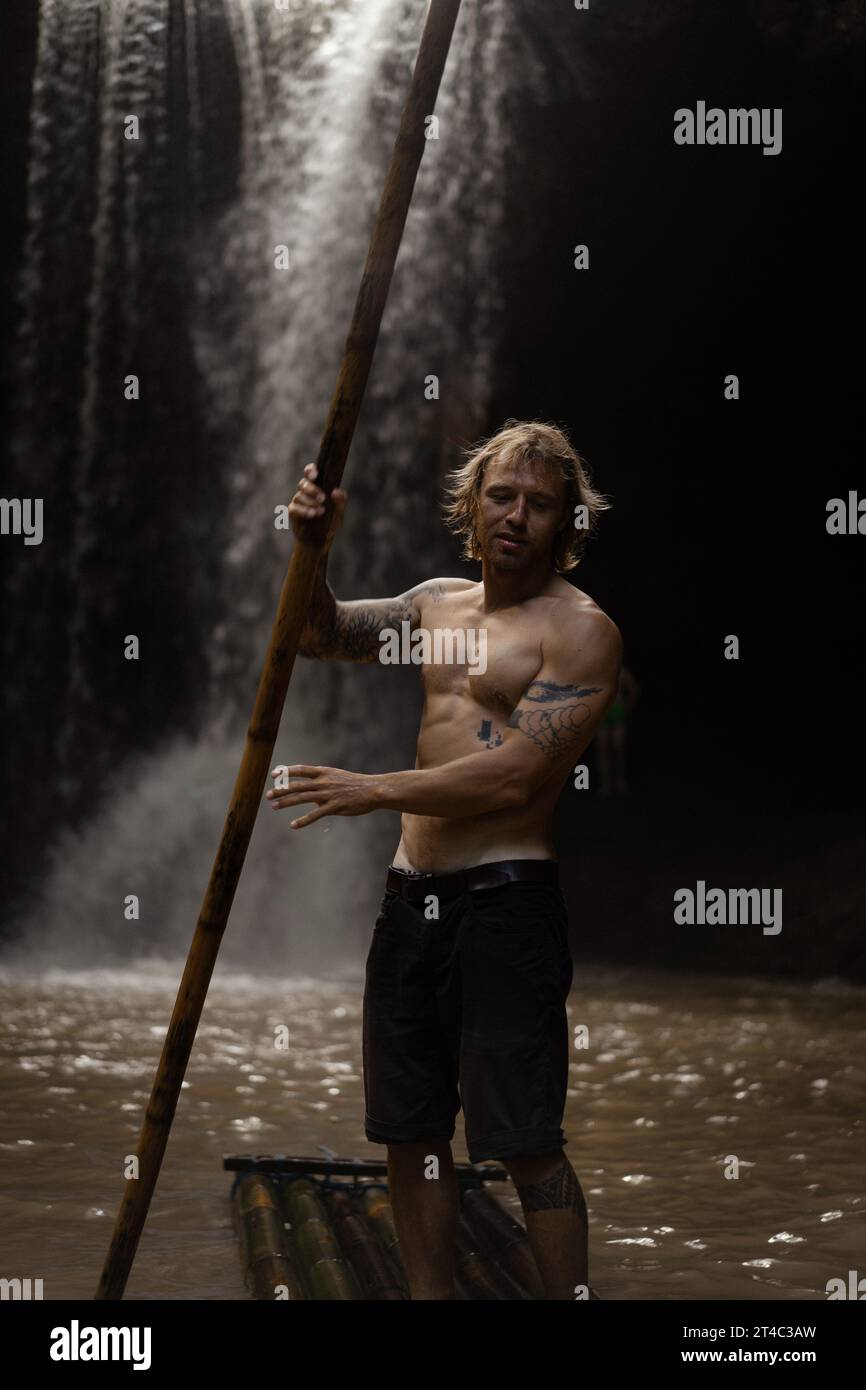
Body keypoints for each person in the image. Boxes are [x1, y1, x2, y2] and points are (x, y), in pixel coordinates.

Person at [267, 419, 622, 1299]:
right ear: (473, 503)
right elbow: (321, 633)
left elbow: (516, 778)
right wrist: (313, 547)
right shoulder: (433, 606)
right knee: (412, 1128)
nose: (517, 515)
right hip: (410, 899)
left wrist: (375, 789)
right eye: (502, 495)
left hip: (506, 904)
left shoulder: (583, 632)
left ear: (567, 525)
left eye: (541, 505)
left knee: (529, 1138)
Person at [595, 664, 640, 796]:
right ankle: (605, 785)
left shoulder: (621, 670)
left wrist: (626, 708)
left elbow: (634, 690)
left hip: (617, 712)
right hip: (602, 713)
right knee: (602, 750)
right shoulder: (597, 668)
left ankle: (620, 782)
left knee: (618, 747)